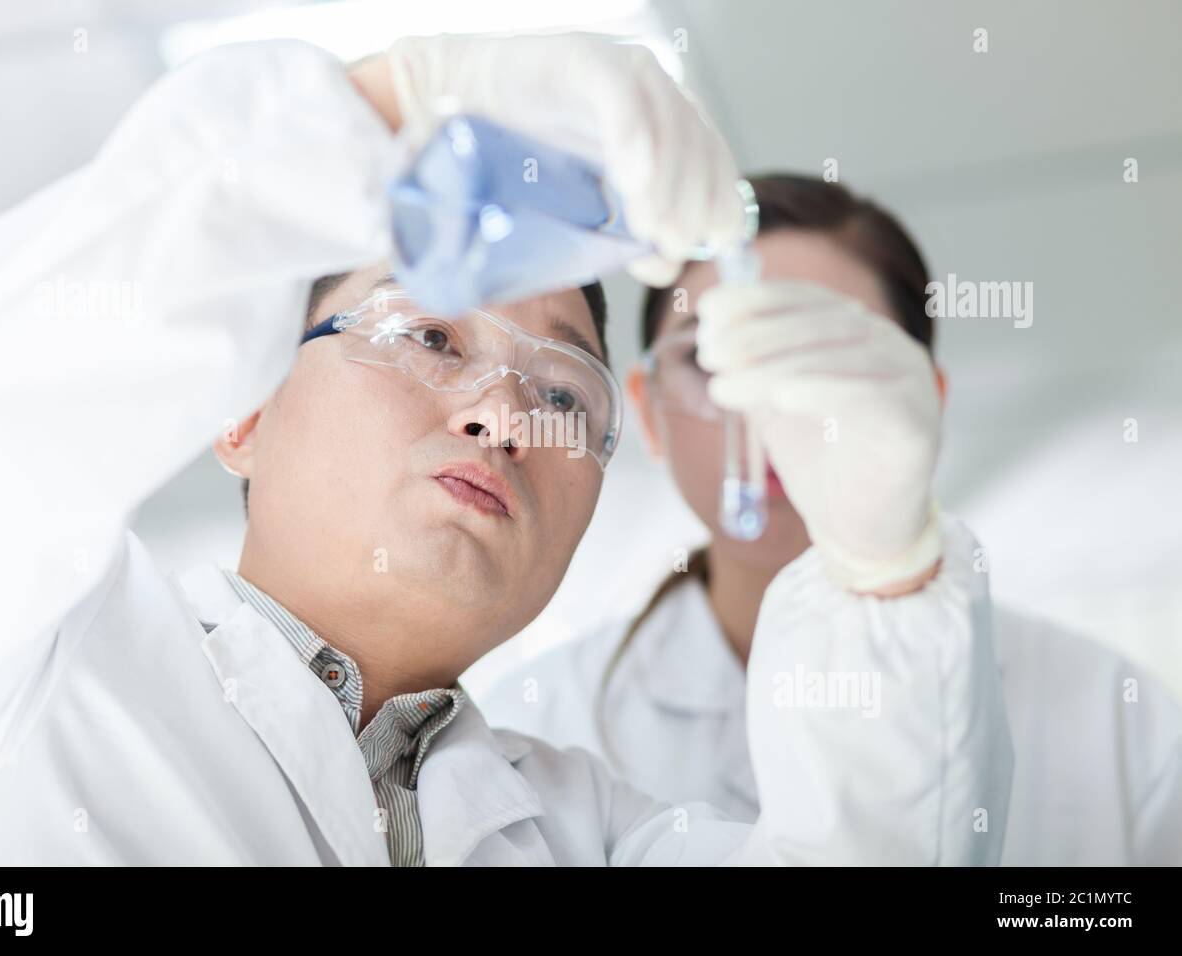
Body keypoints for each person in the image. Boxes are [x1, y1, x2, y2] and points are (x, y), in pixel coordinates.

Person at [0, 36, 1008, 866]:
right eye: (425, 335)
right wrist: (377, 113)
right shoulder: (25, 659)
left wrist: (887, 572)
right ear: (243, 411)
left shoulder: (587, 834)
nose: (505, 414)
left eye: (563, 386)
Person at [478, 174, 1182, 866]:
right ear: (651, 412)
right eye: (709, 355)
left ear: (922, 405)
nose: (768, 406)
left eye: (825, 356)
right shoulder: (530, 723)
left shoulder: (1119, 719)